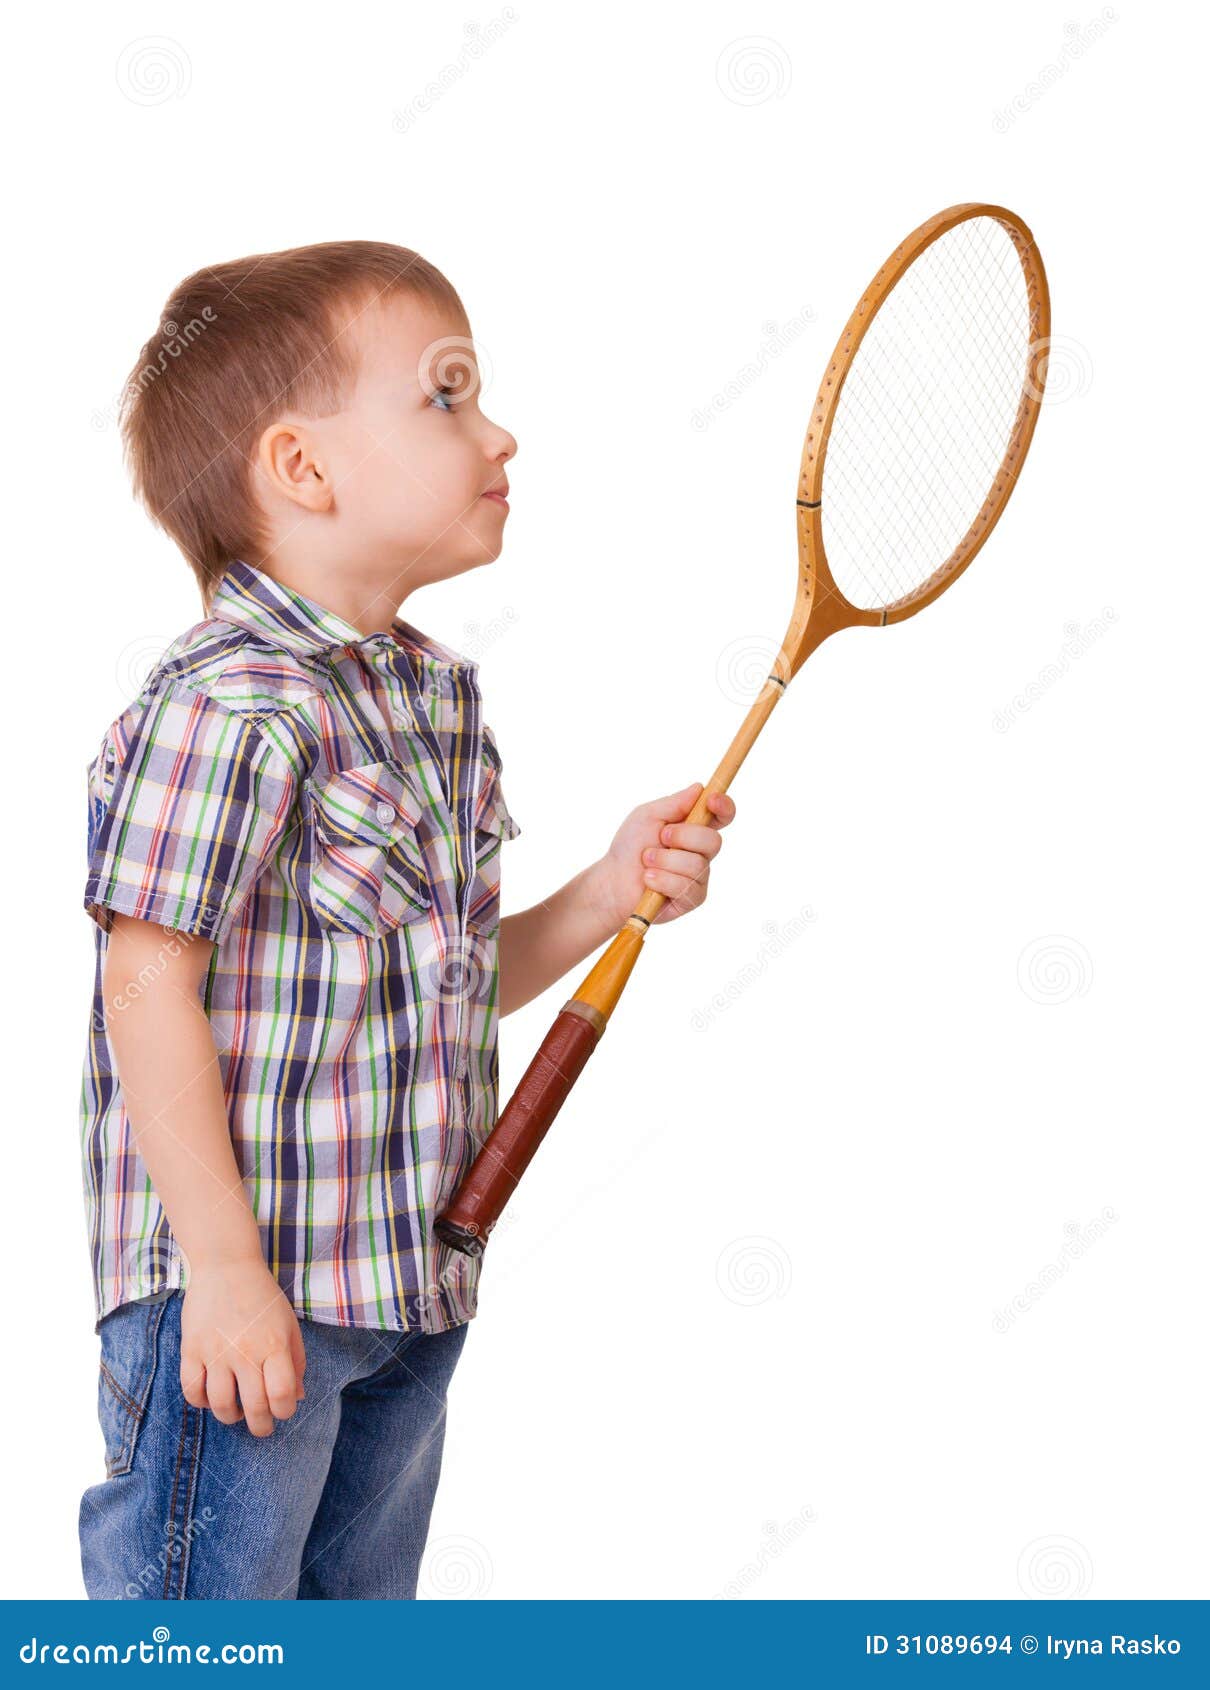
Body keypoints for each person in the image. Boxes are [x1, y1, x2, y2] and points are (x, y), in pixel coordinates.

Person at [77, 240, 736, 1599]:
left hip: (405, 1291)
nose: (499, 433)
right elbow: (144, 988)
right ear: (302, 468)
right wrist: (221, 1268)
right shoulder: (226, 704)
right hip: (249, 1304)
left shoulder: (429, 702)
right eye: (445, 395)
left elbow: (438, 983)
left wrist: (604, 890)